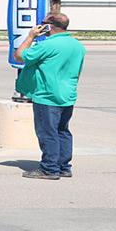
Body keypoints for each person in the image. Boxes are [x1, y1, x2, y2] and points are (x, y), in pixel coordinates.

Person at [14, 12, 86, 180]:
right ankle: (63, 166)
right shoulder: (77, 45)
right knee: (63, 131)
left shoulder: (47, 45)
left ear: (50, 25)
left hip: (47, 95)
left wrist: (30, 36)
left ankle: (49, 168)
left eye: (43, 22)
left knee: (48, 132)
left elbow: (19, 55)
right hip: (67, 94)